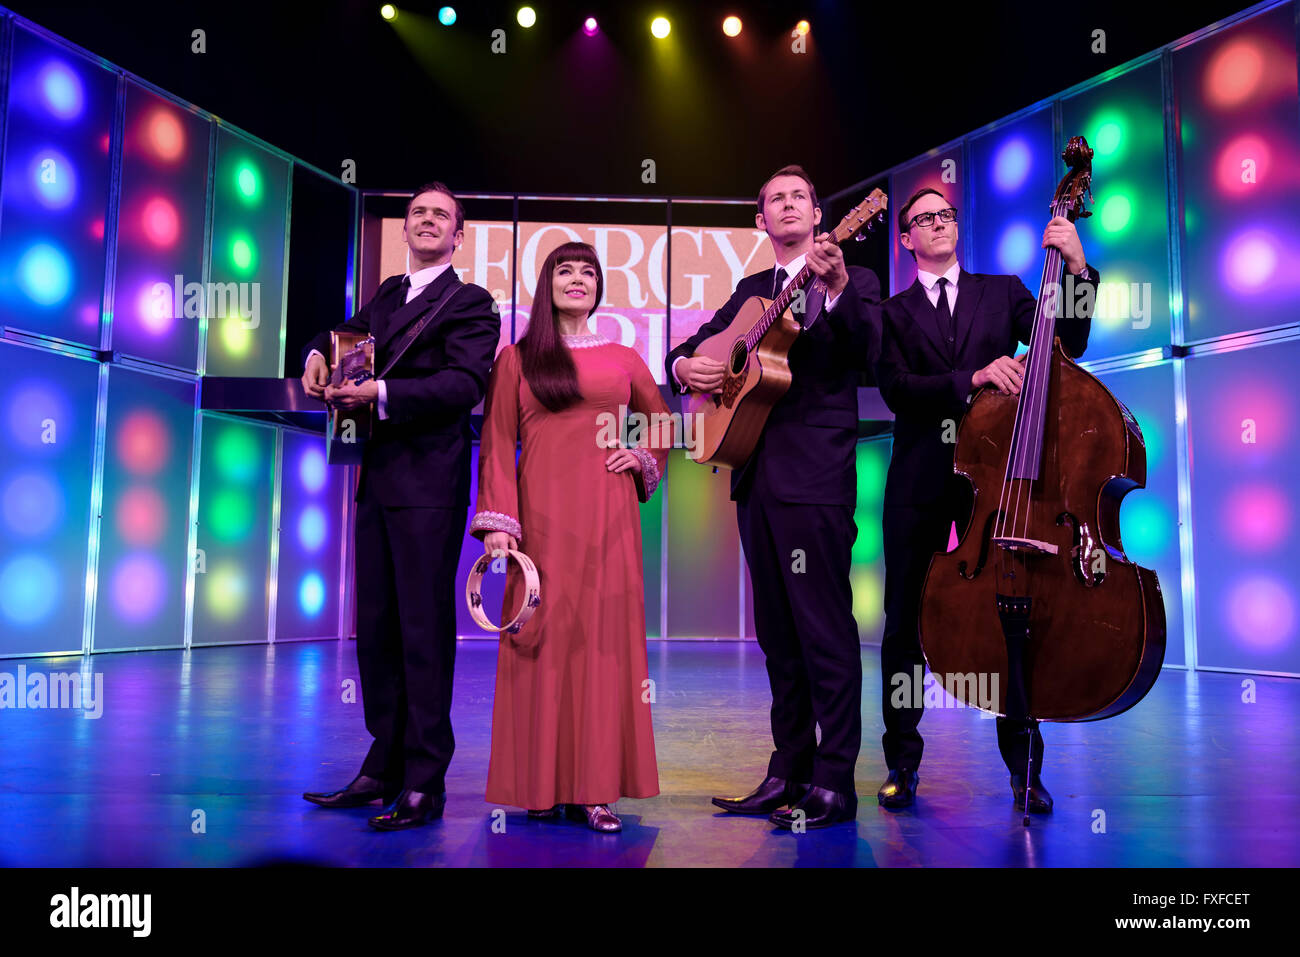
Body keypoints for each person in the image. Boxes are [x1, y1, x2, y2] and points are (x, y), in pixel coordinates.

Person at [665, 165, 881, 829]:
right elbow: (688, 351)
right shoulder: (752, 290)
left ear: (820, 215)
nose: (786, 206)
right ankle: (786, 770)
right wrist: (684, 365)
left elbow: (872, 355)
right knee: (777, 635)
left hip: (815, 477)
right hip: (752, 473)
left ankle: (835, 781)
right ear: (760, 221)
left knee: (823, 628)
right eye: (773, 200)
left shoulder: (857, 279)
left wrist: (839, 288)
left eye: (798, 197)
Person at [873, 186, 1097, 813]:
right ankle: (901, 763)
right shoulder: (890, 314)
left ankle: (1025, 770)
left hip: (999, 484)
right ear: (905, 238)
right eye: (924, 219)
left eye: (946, 215)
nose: (938, 224)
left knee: (1012, 619)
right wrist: (969, 378)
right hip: (920, 481)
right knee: (903, 624)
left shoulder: (1002, 292)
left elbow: (1068, 341)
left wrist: (1077, 270)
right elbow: (896, 389)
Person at [299, 182, 500, 830]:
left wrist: (381, 391)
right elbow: (346, 339)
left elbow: (463, 384)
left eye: (441, 214)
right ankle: (381, 763)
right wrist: (313, 353)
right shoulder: (388, 293)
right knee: (377, 627)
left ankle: (423, 779)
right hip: (378, 478)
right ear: (405, 227)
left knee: (421, 629)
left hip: (429, 485)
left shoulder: (471, 302)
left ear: (458, 235)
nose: (427, 220)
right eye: (418, 212)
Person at [471, 241, 670, 833]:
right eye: (565, 270)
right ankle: (537, 784)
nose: (577, 279)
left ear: (599, 286)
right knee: (540, 643)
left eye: (588, 272)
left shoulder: (624, 356)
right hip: (540, 526)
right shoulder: (517, 358)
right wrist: (498, 528)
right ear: (547, 283)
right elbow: (496, 447)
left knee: (602, 649)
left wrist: (642, 456)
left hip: (609, 522)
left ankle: (595, 789)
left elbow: (662, 420)